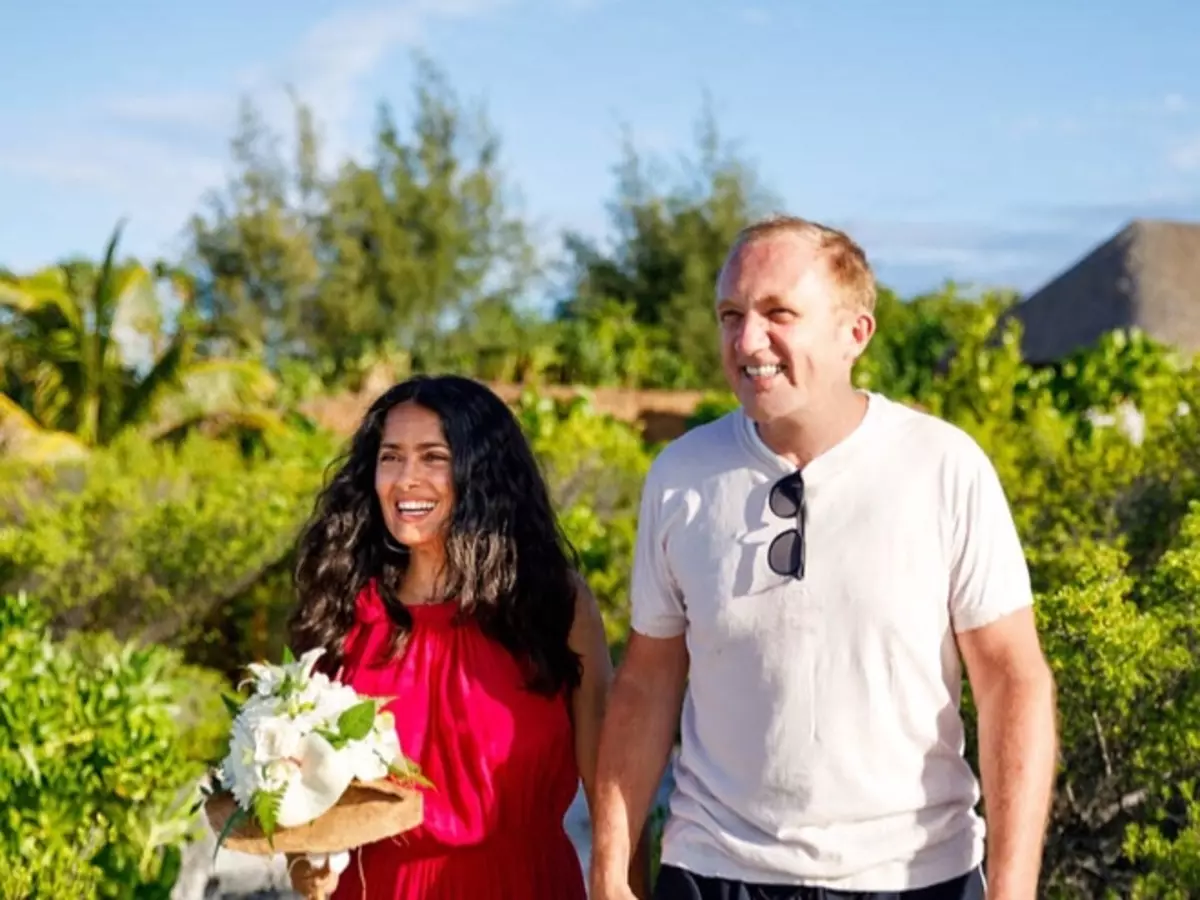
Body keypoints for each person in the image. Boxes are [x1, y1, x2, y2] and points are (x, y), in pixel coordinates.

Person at [589, 216, 1058, 900]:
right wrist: (609, 870)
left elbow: (1012, 681)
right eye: (731, 314)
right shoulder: (681, 475)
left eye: (779, 313)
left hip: (915, 877)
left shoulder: (942, 466)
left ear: (854, 334)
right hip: (714, 874)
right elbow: (647, 682)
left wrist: (1012, 890)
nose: (748, 342)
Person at [282, 374, 648, 899]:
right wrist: (305, 866)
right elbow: (306, 800)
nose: (406, 478)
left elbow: (614, 786)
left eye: (433, 456)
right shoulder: (341, 613)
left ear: (480, 471)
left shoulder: (552, 605)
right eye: (391, 456)